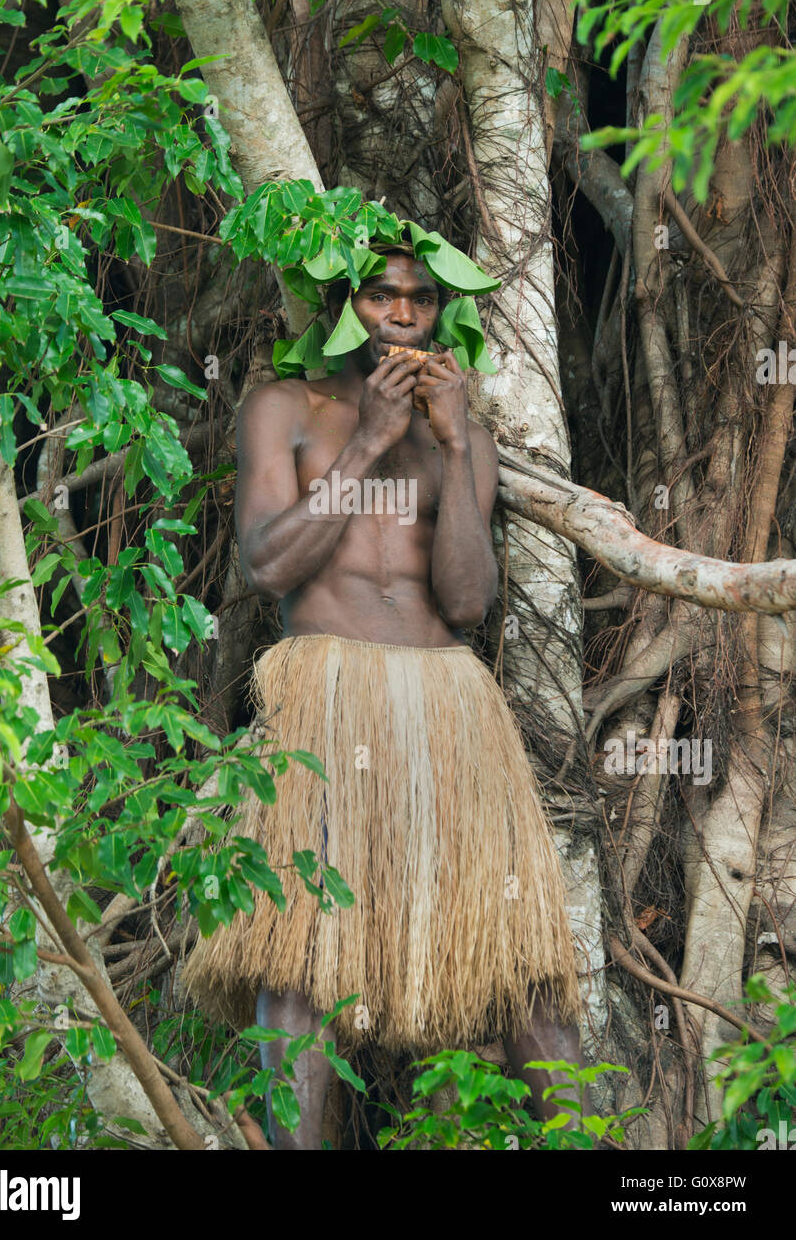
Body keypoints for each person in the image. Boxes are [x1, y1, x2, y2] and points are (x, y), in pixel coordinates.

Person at [184, 242, 583, 1149]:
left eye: (420, 300)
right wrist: (365, 440)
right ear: (342, 307)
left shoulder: (462, 439)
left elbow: (470, 601)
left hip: (450, 703)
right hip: (326, 691)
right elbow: (266, 565)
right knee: (300, 960)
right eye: (379, 295)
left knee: (522, 966)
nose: (401, 315)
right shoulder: (284, 409)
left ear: (444, 316)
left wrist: (450, 444)